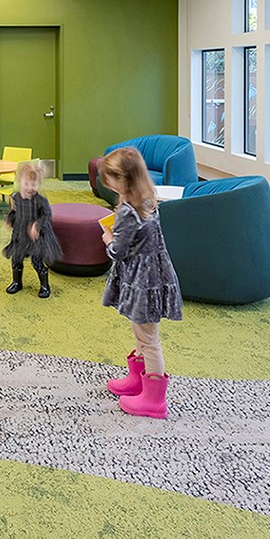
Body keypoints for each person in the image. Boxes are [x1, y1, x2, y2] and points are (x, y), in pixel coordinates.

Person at [99, 146, 182, 419]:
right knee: (142, 332)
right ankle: (139, 380)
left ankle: (154, 400)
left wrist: (108, 239)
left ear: (123, 180)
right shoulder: (147, 200)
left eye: (110, 178)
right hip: (153, 275)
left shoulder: (127, 212)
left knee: (148, 338)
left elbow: (118, 252)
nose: (107, 182)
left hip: (142, 281)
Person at [2, 162, 64, 299]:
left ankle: (44, 286)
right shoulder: (16, 197)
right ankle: (17, 282)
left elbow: (47, 215)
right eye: (26, 184)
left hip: (36, 238)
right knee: (16, 259)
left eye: (33, 185)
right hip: (19, 235)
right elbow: (15, 211)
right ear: (20, 182)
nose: (30, 188)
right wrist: (10, 220)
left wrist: (37, 225)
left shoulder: (41, 201)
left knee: (37, 262)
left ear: (39, 185)